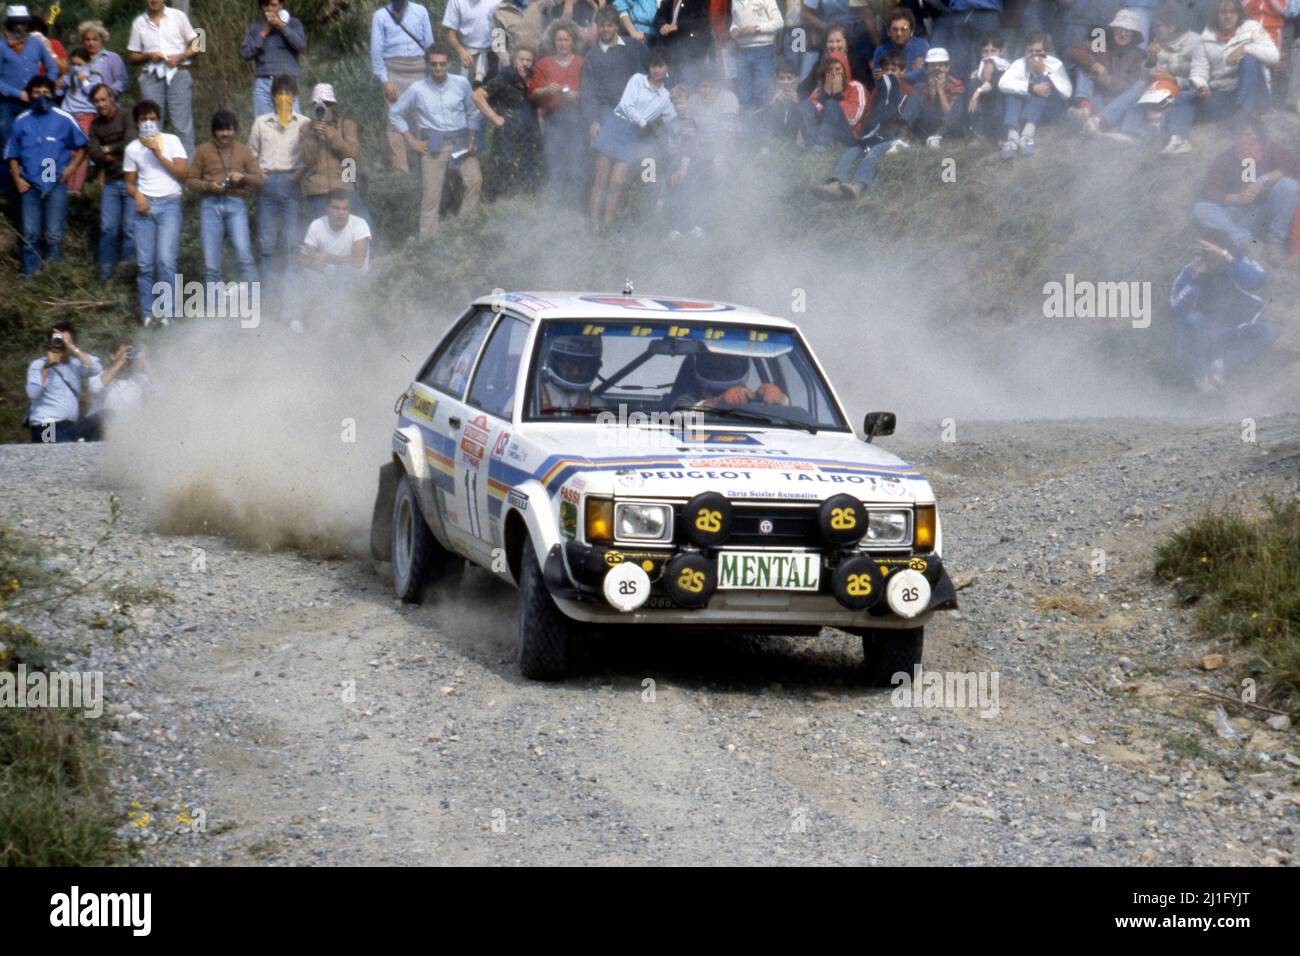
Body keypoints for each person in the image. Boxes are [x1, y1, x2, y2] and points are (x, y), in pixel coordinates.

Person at [389, 43, 483, 237]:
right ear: (427, 65)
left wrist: (472, 137)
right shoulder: (418, 89)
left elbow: (473, 111)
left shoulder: (461, 84)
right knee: (431, 196)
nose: (438, 68)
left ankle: (465, 230)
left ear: (448, 64)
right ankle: (428, 243)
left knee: (475, 180)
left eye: (442, 64)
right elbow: (395, 113)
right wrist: (411, 140)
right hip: (433, 143)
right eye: (434, 64)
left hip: (460, 139)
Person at [1170, 231, 1277, 392]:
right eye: (1205, 249)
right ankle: (1200, 378)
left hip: (1229, 334)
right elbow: (1177, 306)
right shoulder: (1191, 271)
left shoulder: (1238, 263)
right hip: (1200, 337)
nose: (1209, 254)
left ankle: (1222, 367)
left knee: (1269, 330)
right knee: (1194, 320)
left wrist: (1228, 258)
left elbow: (1258, 280)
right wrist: (1194, 281)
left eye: (1213, 249)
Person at [1084, 4, 1200, 151]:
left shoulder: (1195, 42)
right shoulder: (1157, 44)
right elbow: (1145, 76)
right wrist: (1151, 59)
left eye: (1158, 26)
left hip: (1185, 92)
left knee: (1145, 88)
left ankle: (1110, 123)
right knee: (1140, 86)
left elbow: (1200, 79)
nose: (1154, 30)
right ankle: (1117, 128)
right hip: (1160, 90)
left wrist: (1173, 79)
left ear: (1172, 27)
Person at [4, 75, 86, 277]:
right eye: (37, 92)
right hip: (29, 183)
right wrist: (17, 179)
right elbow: (11, 154)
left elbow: (83, 146)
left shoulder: (64, 118)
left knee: (54, 233)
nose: (42, 96)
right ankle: (29, 274)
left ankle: (53, 275)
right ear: (30, 95)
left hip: (54, 179)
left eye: (46, 92)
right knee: (30, 232)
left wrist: (71, 168)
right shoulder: (21, 121)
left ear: (52, 94)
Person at [590, 48, 677, 228]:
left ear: (667, 68)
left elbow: (672, 121)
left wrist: (681, 134)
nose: (657, 70)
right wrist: (643, 121)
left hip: (632, 135)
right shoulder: (637, 80)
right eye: (654, 66)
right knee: (601, 180)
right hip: (616, 126)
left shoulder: (666, 97)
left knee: (616, 183)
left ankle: (607, 225)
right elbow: (626, 104)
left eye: (660, 66)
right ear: (649, 67)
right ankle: (593, 223)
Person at [1191, 119, 1300, 261]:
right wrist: (1237, 198)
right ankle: (1247, 243)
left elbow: (1293, 167)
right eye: (1246, 134)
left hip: (1264, 213)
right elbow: (1210, 191)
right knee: (1201, 209)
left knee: (1289, 185)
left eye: (1254, 134)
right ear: (1236, 136)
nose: (1251, 138)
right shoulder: (1225, 158)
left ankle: (1275, 241)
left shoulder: (1270, 149)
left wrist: (1263, 180)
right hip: (1237, 215)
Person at [123, 98, 188, 326]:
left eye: (152, 119)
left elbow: (183, 174)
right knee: (145, 264)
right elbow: (129, 183)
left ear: (158, 120)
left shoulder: (171, 141)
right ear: (137, 122)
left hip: (170, 204)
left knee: (166, 260)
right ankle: (148, 313)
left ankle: (167, 313)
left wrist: (159, 153)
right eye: (144, 119)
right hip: (145, 207)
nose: (149, 122)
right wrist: (138, 195)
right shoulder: (132, 149)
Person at [812, 50, 910, 199]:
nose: (889, 74)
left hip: (890, 136)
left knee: (872, 154)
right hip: (871, 135)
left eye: (893, 70)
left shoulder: (907, 91)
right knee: (850, 152)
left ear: (903, 72)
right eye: (886, 70)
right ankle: (835, 183)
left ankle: (858, 186)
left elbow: (901, 117)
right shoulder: (878, 92)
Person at [1168, 0, 1276, 131]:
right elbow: (1198, 72)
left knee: (1248, 60)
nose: (1228, 16)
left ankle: (1244, 114)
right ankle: (1177, 140)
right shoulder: (1206, 38)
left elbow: (1274, 56)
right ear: (1216, 15)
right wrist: (1201, 87)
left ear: (1239, 13)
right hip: (1224, 96)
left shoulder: (1252, 28)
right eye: (1223, 12)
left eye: (1232, 12)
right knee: (1182, 98)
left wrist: (1245, 49)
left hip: (1255, 94)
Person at [188, 110, 264, 289]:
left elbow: (260, 179)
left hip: (235, 203)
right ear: (214, 131)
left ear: (234, 130)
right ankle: (216, 310)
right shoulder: (203, 151)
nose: (225, 134)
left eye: (229, 129)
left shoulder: (243, 151)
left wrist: (243, 178)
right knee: (211, 262)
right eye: (221, 129)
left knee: (244, 255)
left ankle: (254, 304)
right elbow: (191, 182)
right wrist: (209, 186)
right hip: (210, 205)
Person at [249, 74, 308, 300]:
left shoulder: (303, 123)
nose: (284, 98)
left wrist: (299, 174)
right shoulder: (261, 122)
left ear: (295, 97)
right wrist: (259, 174)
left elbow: (309, 154)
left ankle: (292, 301)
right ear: (273, 97)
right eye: (280, 94)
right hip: (267, 185)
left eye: (288, 94)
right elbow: (251, 152)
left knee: (293, 244)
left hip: (292, 183)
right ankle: (268, 300)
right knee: (267, 244)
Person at [126, 0, 202, 155]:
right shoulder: (139, 22)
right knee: (151, 124)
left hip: (178, 72)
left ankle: (186, 172)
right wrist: (147, 55)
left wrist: (181, 56)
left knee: (182, 126)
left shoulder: (178, 16)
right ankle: (154, 167)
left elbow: (197, 44)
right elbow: (132, 56)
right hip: (152, 75)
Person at [1, 4, 58, 198]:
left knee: (40, 143)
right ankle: (7, 191)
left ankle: (43, 186)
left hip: (35, 104)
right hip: (8, 104)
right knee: (7, 144)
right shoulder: (1, 46)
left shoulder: (37, 44)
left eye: (22, 24)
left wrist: (44, 89)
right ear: (9, 25)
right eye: (15, 24)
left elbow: (52, 68)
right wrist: (17, 93)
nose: (19, 28)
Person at [473, 44, 544, 199]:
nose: (524, 63)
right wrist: (494, 118)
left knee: (528, 175)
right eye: (521, 59)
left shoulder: (536, 80)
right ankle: (499, 208)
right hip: (507, 135)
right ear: (514, 60)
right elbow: (477, 96)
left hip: (529, 135)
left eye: (528, 60)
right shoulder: (504, 77)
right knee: (503, 173)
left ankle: (525, 207)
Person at [371, 0, 434, 173]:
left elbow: (429, 44)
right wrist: (385, 80)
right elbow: (376, 51)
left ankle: (427, 164)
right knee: (394, 121)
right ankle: (400, 170)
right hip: (394, 71)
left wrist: (431, 74)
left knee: (423, 118)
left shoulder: (421, 11)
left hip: (419, 69)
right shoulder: (380, 16)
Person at [529, 18, 585, 208]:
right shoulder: (544, 64)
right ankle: (554, 211)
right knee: (555, 165)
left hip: (576, 119)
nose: (563, 43)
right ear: (554, 41)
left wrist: (578, 95)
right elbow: (532, 92)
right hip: (553, 119)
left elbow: (590, 91)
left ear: (573, 41)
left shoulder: (581, 63)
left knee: (577, 165)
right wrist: (547, 90)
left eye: (567, 39)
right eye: (559, 40)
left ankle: (576, 210)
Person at [87, 82, 137, 278]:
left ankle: (126, 273)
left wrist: (107, 150)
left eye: (103, 99)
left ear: (112, 98)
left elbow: (131, 143)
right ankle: (106, 276)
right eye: (96, 101)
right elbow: (93, 152)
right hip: (110, 182)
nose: (100, 104)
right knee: (108, 229)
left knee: (130, 229)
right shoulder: (95, 125)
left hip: (131, 180)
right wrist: (113, 153)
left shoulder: (127, 115)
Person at [580, 7, 648, 151]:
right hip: (607, 112)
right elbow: (588, 92)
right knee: (605, 157)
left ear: (616, 26)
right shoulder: (592, 56)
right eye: (602, 26)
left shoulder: (635, 46)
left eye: (609, 25)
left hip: (636, 111)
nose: (605, 29)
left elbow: (652, 74)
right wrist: (593, 121)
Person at [24, 322, 101, 443]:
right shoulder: (39, 364)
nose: (62, 345)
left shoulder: (75, 364)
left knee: (103, 418)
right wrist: (46, 367)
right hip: (46, 424)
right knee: (57, 453)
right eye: (58, 340)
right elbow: (33, 394)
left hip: (69, 425)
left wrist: (71, 347)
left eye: (65, 342)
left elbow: (96, 368)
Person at [998, 33, 1072, 158]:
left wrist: (1044, 72)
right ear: (1025, 51)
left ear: (1045, 51)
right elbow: (1002, 83)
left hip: (1050, 109)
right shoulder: (1019, 64)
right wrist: (1031, 88)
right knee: (1013, 90)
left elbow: (1067, 93)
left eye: (1038, 51)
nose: (1034, 55)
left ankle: (1027, 136)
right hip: (1026, 111)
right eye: (1030, 51)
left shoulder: (1055, 64)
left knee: (1043, 80)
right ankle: (1013, 138)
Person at [1065, 8, 1146, 123]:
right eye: (1120, 29)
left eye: (1128, 31)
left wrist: (1107, 79)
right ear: (1113, 31)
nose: (1123, 34)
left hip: (1115, 102)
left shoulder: (1135, 55)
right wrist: (1094, 65)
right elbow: (1072, 51)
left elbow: (1129, 87)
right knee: (1084, 64)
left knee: (1140, 85)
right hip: (1096, 97)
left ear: (1133, 35)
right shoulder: (1101, 45)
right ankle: (1084, 108)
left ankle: (1099, 120)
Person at [300, 82, 365, 222]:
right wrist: (313, 135)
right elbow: (307, 161)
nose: (323, 107)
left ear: (333, 106)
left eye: (327, 103)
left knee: (363, 227)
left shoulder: (347, 125)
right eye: (319, 103)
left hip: (345, 189)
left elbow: (351, 156)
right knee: (321, 235)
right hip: (318, 191)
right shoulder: (305, 129)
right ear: (313, 106)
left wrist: (329, 133)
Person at [240, 0, 307, 120]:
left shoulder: (293, 23)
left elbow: (300, 45)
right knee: (264, 126)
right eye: (266, 5)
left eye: (273, 5)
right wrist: (264, 32)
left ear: (281, 5)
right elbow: (245, 53)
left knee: (291, 126)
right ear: (261, 7)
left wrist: (281, 26)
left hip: (287, 83)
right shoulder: (256, 28)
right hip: (263, 84)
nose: (269, 9)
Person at [80, 338, 155, 441]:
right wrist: (120, 363)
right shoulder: (100, 377)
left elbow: (161, 392)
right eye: (124, 353)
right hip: (98, 430)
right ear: (112, 356)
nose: (127, 357)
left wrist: (144, 361)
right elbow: (95, 388)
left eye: (129, 354)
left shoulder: (140, 379)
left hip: (127, 432)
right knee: (107, 414)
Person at [800, 51, 866, 149]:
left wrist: (835, 95)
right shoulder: (819, 90)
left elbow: (853, 120)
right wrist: (826, 94)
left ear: (845, 70)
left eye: (838, 69)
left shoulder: (855, 87)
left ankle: (819, 146)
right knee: (805, 104)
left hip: (848, 135)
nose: (834, 73)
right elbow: (813, 115)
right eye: (830, 69)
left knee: (831, 105)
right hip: (823, 133)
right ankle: (811, 146)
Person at [904, 46, 966, 148]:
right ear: (927, 69)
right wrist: (933, 92)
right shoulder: (921, 87)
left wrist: (940, 91)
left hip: (949, 130)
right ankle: (902, 138)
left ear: (947, 67)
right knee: (915, 97)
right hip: (927, 127)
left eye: (940, 65)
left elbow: (952, 115)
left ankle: (937, 137)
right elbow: (929, 114)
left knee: (957, 107)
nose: (936, 69)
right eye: (932, 66)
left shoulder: (956, 85)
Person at [58, 47, 101, 192]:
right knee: (67, 151)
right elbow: (58, 91)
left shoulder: (94, 76)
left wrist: (84, 80)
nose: (77, 67)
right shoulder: (69, 76)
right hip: (68, 116)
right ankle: (65, 186)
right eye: (74, 64)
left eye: (80, 64)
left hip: (86, 116)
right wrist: (58, 83)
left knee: (81, 153)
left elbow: (93, 93)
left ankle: (77, 188)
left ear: (88, 63)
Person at [302, 188, 372, 277]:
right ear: (327, 209)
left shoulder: (360, 224)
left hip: (355, 280)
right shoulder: (316, 225)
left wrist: (327, 257)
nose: (341, 213)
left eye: (345, 208)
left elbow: (358, 262)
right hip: (325, 278)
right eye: (336, 208)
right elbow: (304, 257)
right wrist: (314, 260)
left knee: (345, 270)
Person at [731, 0, 784, 115]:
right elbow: (735, 21)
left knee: (762, 90)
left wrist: (757, 28)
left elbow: (779, 22)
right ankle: (747, 129)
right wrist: (733, 29)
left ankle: (762, 128)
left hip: (763, 49)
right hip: (742, 50)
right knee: (744, 94)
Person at [675, 351, 787, 406]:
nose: (722, 370)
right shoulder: (688, 398)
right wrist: (718, 402)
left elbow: (791, 419)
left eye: (730, 364)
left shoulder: (748, 397)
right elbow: (680, 417)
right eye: (714, 363)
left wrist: (777, 398)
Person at [930, 0, 1001, 82]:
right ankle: (960, 92)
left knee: (987, 63)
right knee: (958, 63)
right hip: (959, 13)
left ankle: (983, 91)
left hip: (986, 11)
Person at [651, 0, 714, 88]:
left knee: (688, 84)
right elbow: (659, 16)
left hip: (691, 51)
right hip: (670, 50)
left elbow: (702, 21)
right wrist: (662, 25)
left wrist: (678, 26)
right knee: (670, 84)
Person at [538, 335, 603, 411]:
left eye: (583, 364)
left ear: (594, 367)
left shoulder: (597, 405)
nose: (576, 372)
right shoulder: (532, 399)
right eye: (570, 363)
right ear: (556, 362)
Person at [964, 32, 1008, 141]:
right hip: (984, 101)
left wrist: (976, 93)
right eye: (985, 51)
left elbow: (990, 80)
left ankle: (1000, 135)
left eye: (993, 51)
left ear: (1001, 52)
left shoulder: (1003, 65)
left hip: (999, 99)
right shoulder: (980, 66)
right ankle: (977, 132)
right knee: (972, 84)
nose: (989, 55)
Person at [871, 7, 927, 86]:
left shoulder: (922, 45)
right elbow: (878, 80)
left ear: (911, 31)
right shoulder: (881, 51)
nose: (899, 34)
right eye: (895, 29)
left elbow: (923, 74)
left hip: (918, 93)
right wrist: (910, 73)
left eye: (903, 29)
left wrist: (893, 74)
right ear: (888, 32)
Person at [443, 0, 493, 82]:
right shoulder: (456, 1)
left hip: (492, 56)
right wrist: (460, 51)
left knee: (493, 92)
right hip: (467, 55)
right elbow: (450, 35)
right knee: (466, 91)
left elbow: (499, 28)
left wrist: (501, 55)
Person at [78, 20, 127, 100]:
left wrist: (106, 94)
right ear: (83, 41)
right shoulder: (79, 59)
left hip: (104, 105)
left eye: (95, 40)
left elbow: (121, 82)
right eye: (87, 39)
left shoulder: (112, 58)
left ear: (102, 40)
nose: (91, 43)